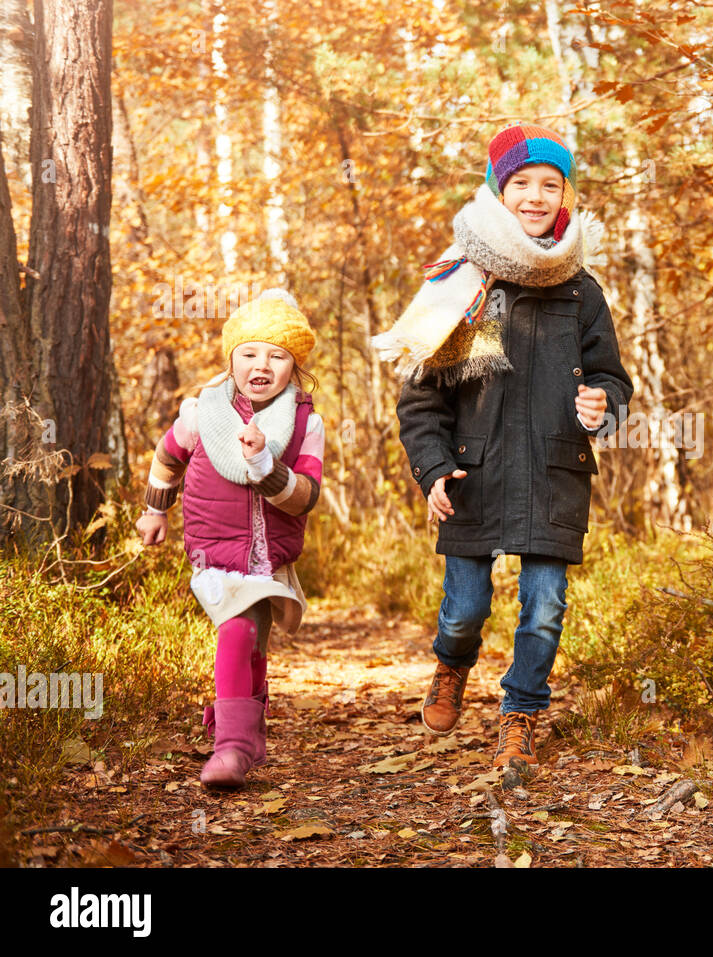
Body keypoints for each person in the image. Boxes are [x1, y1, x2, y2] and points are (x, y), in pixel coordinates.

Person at [375, 123, 633, 767]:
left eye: (551, 184)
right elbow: (421, 397)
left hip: (555, 469)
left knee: (544, 609)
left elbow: (611, 379)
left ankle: (521, 712)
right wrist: (433, 469)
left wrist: (604, 405)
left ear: (565, 195)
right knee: (464, 610)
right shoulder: (462, 285)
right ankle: (451, 666)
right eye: (522, 183)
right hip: (473, 475)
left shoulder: (581, 289)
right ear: (498, 189)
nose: (537, 195)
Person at [136, 289, 323, 789]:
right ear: (233, 359)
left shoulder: (305, 423)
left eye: (277, 356)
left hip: (269, 562)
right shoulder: (203, 413)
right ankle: (234, 747)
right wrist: (155, 510)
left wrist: (265, 464)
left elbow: (305, 497)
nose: (262, 364)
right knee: (236, 633)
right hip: (215, 555)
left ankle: (246, 725)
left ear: (294, 368)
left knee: (253, 643)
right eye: (250, 352)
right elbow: (168, 455)